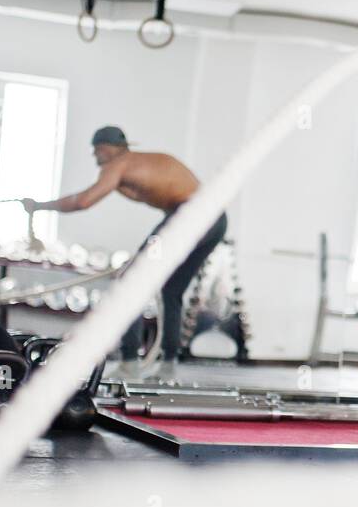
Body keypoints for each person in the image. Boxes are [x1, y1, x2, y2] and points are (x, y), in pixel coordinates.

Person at [23, 126, 228, 382]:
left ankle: (130, 364)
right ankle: (168, 369)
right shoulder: (146, 160)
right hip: (216, 220)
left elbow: (83, 201)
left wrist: (40, 206)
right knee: (171, 291)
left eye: (96, 151)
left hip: (190, 216)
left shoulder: (118, 164)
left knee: (131, 282)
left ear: (106, 148)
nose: (95, 157)